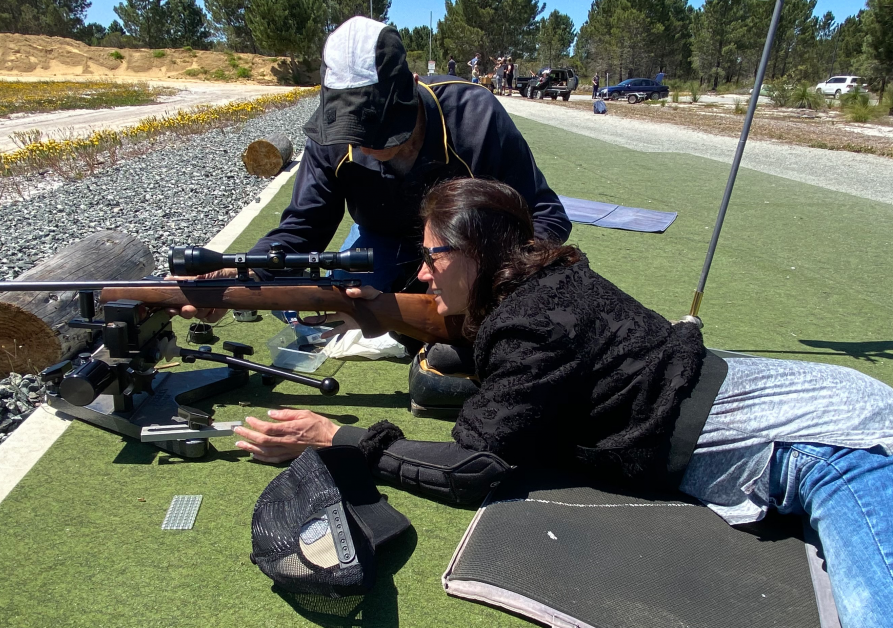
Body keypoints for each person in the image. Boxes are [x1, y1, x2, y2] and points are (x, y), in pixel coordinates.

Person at [233, 178, 893, 628]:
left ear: (476, 254)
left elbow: (472, 468)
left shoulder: (534, 324)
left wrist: (336, 438)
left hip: (826, 440)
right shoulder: (548, 280)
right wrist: (374, 312)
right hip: (792, 402)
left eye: (432, 256)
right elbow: (486, 347)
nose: (422, 272)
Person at [172, 19, 569, 322]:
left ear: (412, 86)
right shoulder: (329, 138)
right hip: (380, 245)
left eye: (380, 127)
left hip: (467, 255)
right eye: (353, 130)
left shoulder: (476, 117)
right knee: (322, 311)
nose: (365, 146)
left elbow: (545, 216)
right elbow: (304, 226)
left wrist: (490, 279)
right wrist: (238, 272)